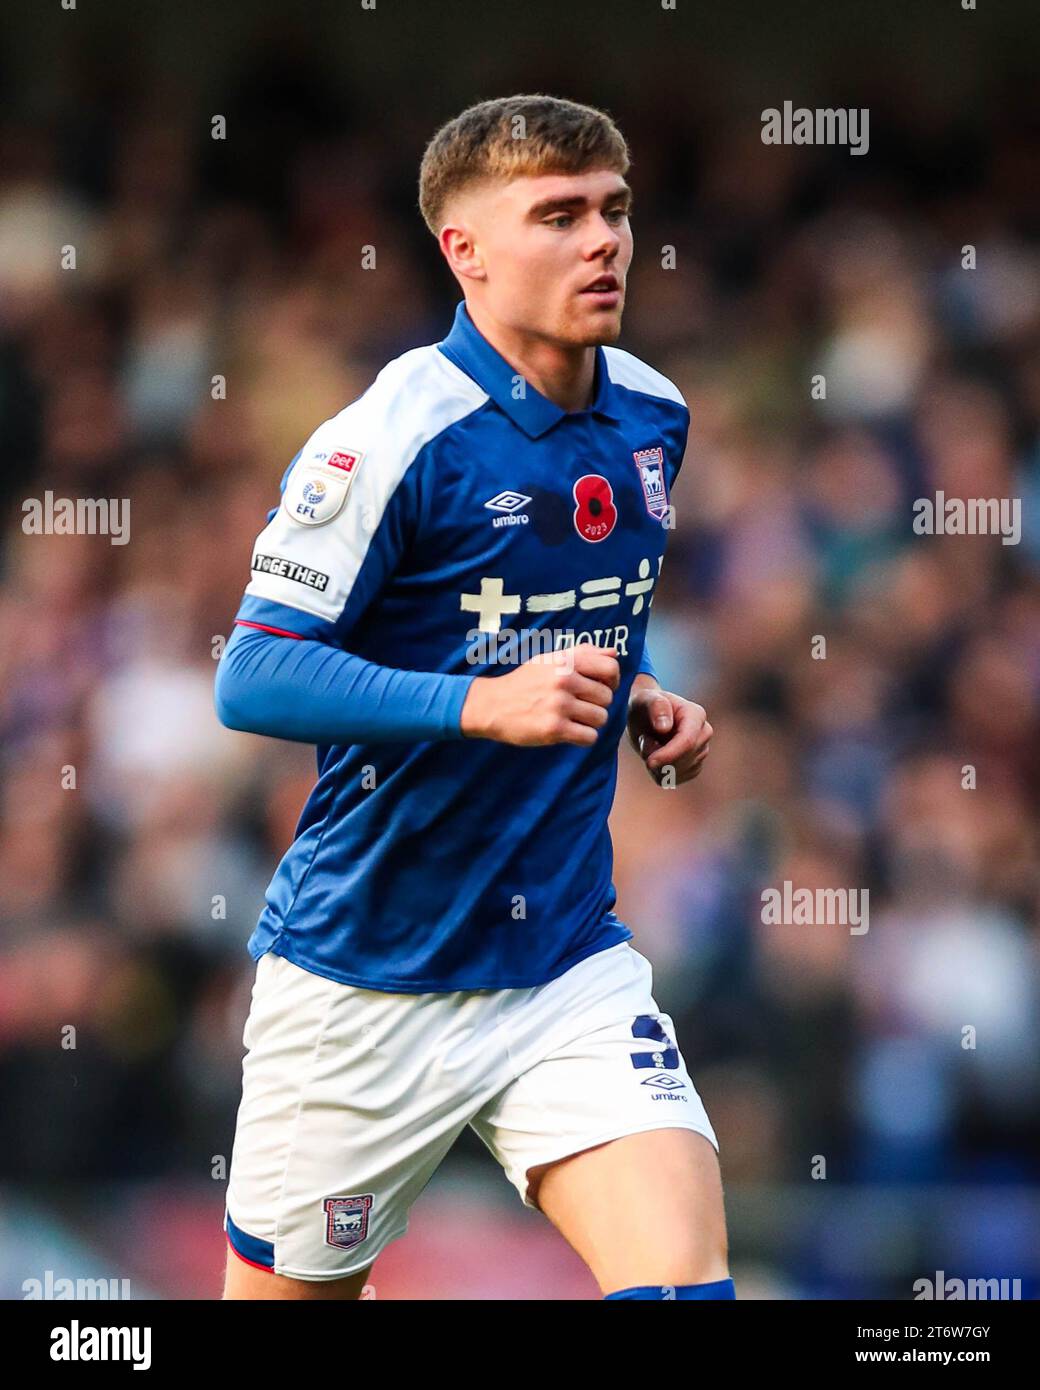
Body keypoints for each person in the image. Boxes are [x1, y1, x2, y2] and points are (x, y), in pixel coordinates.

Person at [215, 93, 732, 1301]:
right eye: (558, 215)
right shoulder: (388, 436)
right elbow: (255, 674)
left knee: (683, 1284)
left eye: (613, 210)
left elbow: (571, 614)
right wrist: (474, 706)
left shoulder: (652, 414)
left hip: (561, 961)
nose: (603, 240)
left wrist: (643, 692)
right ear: (466, 251)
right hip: (363, 976)